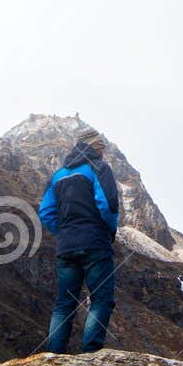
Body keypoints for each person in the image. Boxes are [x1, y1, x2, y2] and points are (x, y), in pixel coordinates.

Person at [37, 130, 120, 353]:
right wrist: (109, 231)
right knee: (101, 299)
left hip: (66, 247)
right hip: (95, 243)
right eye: (101, 147)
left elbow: (45, 211)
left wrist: (63, 233)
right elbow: (108, 205)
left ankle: (53, 355)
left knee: (64, 303)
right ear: (93, 147)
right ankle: (91, 354)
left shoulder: (57, 175)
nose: (103, 151)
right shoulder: (99, 168)